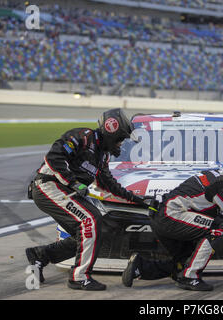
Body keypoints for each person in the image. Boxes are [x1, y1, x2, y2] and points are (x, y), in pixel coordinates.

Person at [25, 108, 147, 291]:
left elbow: (109, 184)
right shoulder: (82, 136)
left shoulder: (102, 156)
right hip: (48, 185)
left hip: (64, 190)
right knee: (89, 221)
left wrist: (137, 199)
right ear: (112, 132)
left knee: (96, 229)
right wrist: (73, 183)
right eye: (121, 139)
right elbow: (54, 157)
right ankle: (79, 277)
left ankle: (41, 255)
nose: (121, 144)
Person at [121, 157, 223, 291]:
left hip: (162, 214)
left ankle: (140, 266)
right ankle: (190, 276)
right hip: (172, 215)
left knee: (184, 262)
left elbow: (212, 209)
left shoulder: (216, 174)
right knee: (222, 230)